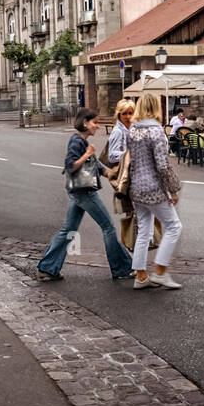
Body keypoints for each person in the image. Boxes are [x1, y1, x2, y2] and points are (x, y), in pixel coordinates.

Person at [37, 108, 135, 282]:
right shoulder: (76, 141)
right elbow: (70, 166)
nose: (97, 126)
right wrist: (87, 155)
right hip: (84, 191)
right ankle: (121, 268)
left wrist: (108, 173)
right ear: (85, 123)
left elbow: (94, 164)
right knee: (108, 228)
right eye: (95, 122)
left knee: (69, 229)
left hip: (77, 190)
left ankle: (48, 268)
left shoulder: (82, 141)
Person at [126, 92, 184, 290]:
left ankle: (141, 276)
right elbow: (162, 164)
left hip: (136, 187)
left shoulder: (132, 129)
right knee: (174, 226)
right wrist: (174, 189)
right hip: (153, 188)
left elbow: (131, 159)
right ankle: (160, 271)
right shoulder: (156, 130)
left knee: (144, 230)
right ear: (156, 107)